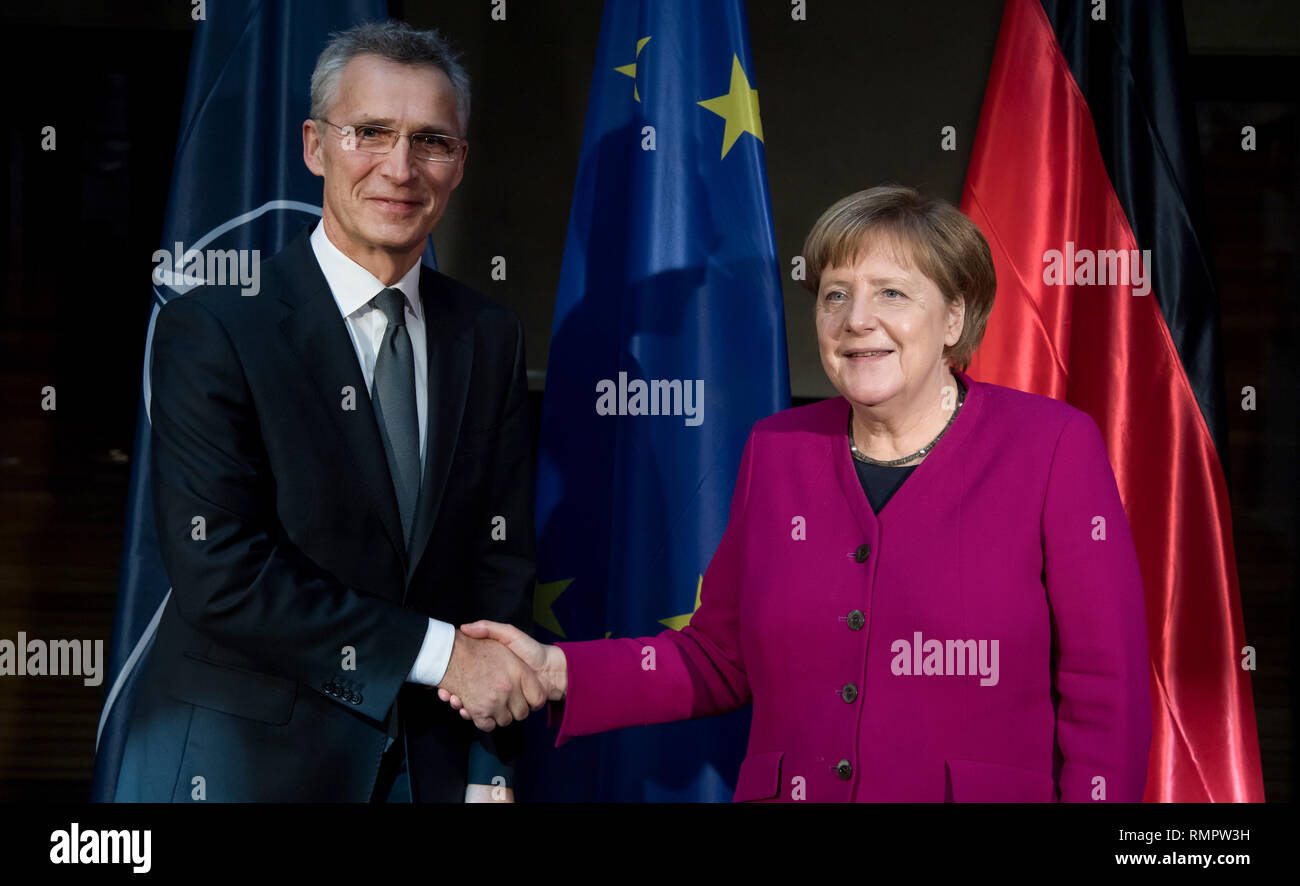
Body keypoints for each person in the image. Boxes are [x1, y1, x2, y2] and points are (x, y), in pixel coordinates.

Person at [443, 185, 1153, 802]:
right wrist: (553, 667)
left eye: (892, 293)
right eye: (835, 294)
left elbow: (1106, 691)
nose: (855, 319)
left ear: (957, 318)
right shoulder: (777, 449)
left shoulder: (1053, 446)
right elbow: (716, 657)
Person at [114, 20, 544, 803]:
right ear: (316, 146)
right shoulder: (215, 329)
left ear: (459, 164)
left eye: (431, 142)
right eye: (370, 133)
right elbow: (225, 575)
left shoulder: (489, 335)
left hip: (433, 771)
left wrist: (488, 763)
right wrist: (441, 653)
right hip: (242, 768)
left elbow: (497, 569)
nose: (399, 168)